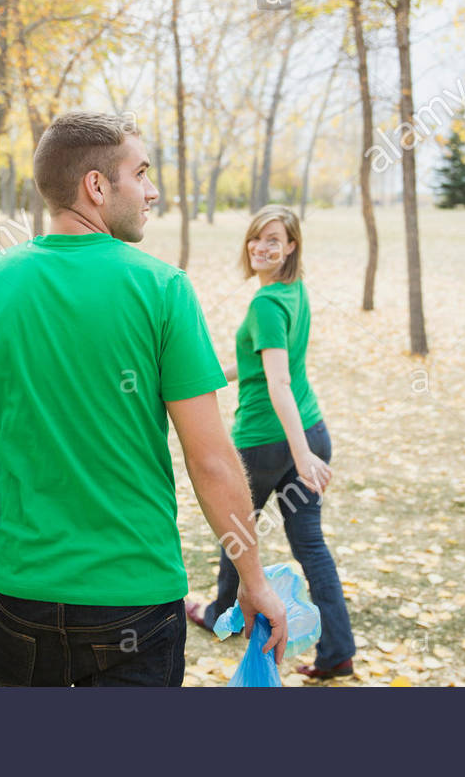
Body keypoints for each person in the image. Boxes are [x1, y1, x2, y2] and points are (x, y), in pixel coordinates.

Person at [0, 111, 288, 687]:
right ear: (97, 187)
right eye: (141, 174)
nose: (151, 191)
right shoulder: (163, 289)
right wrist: (254, 581)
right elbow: (211, 459)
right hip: (133, 599)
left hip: (15, 598)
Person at [185, 205, 356, 680]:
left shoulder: (265, 304)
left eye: (274, 240)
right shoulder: (292, 292)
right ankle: (338, 651)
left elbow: (278, 382)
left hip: (267, 441)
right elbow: (265, 364)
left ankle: (221, 613)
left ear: (292, 246)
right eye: (255, 238)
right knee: (311, 547)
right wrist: (212, 375)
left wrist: (300, 457)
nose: (261, 247)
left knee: (235, 527)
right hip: (310, 429)